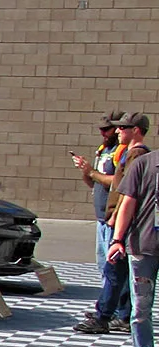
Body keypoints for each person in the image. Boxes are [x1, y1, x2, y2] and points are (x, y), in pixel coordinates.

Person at [105, 110, 158, 347]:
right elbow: (127, 203)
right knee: (140, 307)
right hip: (143, 246)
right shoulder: (145, 164)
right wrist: (117, 240)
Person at [77, 113, 137, 334]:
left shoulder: (127, 153)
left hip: (113, 219)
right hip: (103, 217)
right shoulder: (104, 150)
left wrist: (93, 172)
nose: (105, 133)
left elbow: (121, 186)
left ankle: (118, 314)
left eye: (108, 129)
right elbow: (94, 183)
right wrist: (87, 171)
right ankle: (110, 310)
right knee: (107, 269)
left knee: (115, 271)